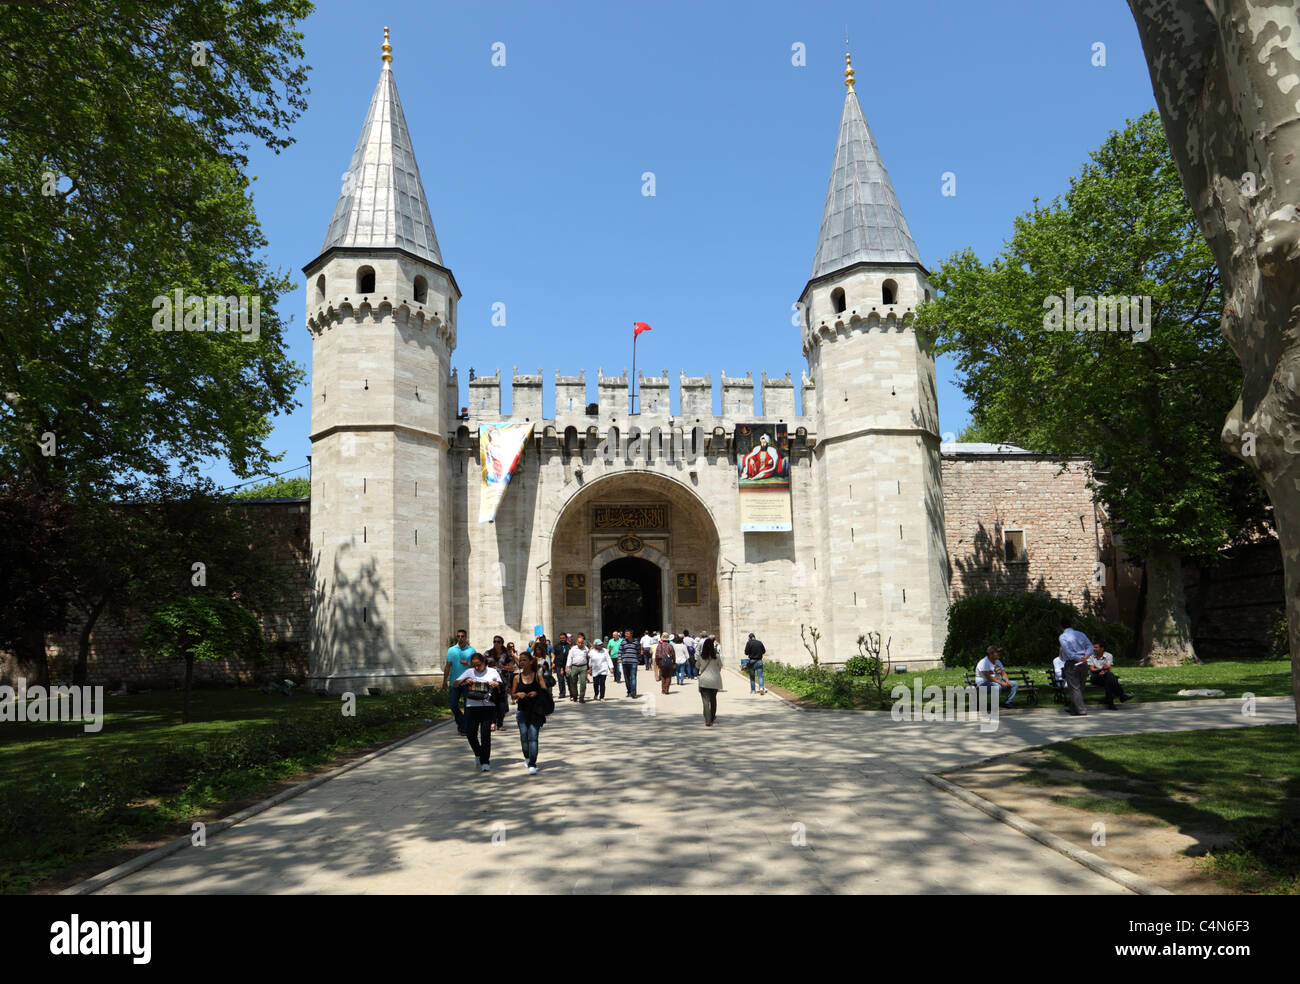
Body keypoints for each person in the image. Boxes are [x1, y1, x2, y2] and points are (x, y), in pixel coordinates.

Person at [456, 652, 502, 772]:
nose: (477, 668)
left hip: (488, 706)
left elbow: (500, 684)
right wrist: (465, 680)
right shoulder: (469, 672)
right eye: (474, 665)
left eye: (479, 665)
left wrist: (495, 683)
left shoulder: (492, 671)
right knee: (470, 734)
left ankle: (485, 761)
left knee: (485, 735)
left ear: (484, 663)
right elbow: (455, 683)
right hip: (472, 707)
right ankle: (478, 753)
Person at [512, 648, 550, 774]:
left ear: (530, 662)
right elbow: (512, 695)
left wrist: (536, 692)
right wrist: (518, 694)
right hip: (522, 711)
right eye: (520, 660)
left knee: (533, 737)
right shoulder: (517, 678)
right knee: (524, 736)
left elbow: (544, 691)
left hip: (535, 711)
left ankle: (533, 763)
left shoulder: (537, 675)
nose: (521, 662)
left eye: (524, 660)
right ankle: (527, 757)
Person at [1058, 616, 1093, 716]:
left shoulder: (1063, 637)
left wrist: (1078, 659)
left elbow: (1067, 651)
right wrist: (1085, 657)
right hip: (1084, 663)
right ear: (1071, 625)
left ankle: (1081, 710)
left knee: (1074, 688)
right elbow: (1090, 646)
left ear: (1061, 627)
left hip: (1072, 663)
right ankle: (1074, 708)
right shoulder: (1081, 634)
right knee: (1080, 686)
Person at [445, 629, 476, 735]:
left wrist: (467, 664)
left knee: (468, 706)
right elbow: (448, 666)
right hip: (454, 682)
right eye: (458, 636)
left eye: (462, 636)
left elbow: (476, 666)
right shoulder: (451, 650)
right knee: (453, 705)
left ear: (466, 638)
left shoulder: (471, 651)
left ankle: (464, 728)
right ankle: (462, 723)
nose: (460, 638)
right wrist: (444, 681)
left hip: (467, 682)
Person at [1088, 642, 1130, 709]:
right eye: (1093, 647)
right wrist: (1102, 669)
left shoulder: (1108, 655)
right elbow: (1092, 669)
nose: (1094, 649)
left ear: (1102, 648)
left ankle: (1111, 703)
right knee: (1110, 677)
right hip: (1095, 677)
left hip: (1105, 675)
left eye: (1096, 647)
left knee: (1108, 681)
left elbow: (1108, 667)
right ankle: (1121, 695)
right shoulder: (1091, 656)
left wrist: (1103, 671)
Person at [696, 636, 723, 726]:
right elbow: (720, 666)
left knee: (705, 701)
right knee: (713, 700)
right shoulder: (717, 657)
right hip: (714, 680)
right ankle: (712, 716)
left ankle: (708, 720)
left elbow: (697, 666)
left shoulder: (701, 657)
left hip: (704, 680)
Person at [494, 653, 517, 729]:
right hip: (496, 689)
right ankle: (493, 723)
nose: (513, 667)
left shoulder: (511, 673)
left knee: (502, 708)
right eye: (511, 665)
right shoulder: (499, 671)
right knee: (495, 707)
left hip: (504, 691)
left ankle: (499, 724)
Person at [566, 632, 590, 702]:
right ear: (576, 642)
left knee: (583, 683)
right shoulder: (573, 649)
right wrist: (568, 667)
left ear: (583, 643)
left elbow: (589, 657)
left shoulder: (586, 648)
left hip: (583, 667)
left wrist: (590, 667)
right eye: (579, 643)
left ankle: (581, 697)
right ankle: (575, 695)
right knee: (573, 682)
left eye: (581, 643)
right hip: (574, 667)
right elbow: (569, 658)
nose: (580, 644)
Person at [589, 636, 612, 700]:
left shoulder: (605, 651)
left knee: (602, 683)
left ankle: (602, 697)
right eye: (600, 645)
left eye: (601, 644)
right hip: (595, 670)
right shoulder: (591, 652)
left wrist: (611, 668)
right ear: (596, 645)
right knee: (595, 684)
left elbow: (608, 659)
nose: (601, 645)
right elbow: (590, 661)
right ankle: (596, 693)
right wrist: (589, 668)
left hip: (603, 669)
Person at [620, 629, 641, 697]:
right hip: (625, 662)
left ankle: (633, 692)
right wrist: (619, 658)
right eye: (625, 634)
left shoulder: (636, 642)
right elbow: (620, 651)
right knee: (626, 678)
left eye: (627, 634)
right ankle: (629, 691)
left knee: (633, 677)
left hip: (633, 662)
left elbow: (638, 651)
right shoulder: (623, 642)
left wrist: (639, 659)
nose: (626, 635)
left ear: (631, 634)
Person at [553, 632, 570, 699]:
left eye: (563, 638)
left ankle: (572, 693)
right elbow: (555, 655)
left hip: (567, 665)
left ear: (566, 638)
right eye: (561, 638)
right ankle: (562, 693)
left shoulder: (569, 646)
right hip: (559, 665)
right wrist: (554, 663)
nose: (562, 639)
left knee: (569, 679)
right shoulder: (556, 646)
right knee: (560, 680)